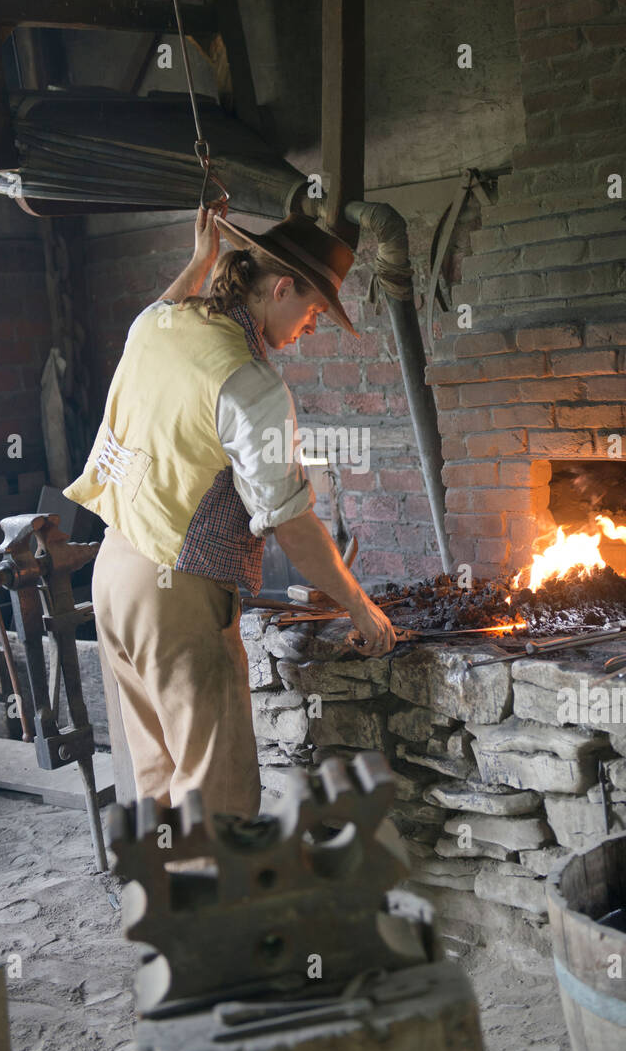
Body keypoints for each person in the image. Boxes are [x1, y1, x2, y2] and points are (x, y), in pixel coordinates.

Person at [63, 204, 396, 820]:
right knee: (215, 796)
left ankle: (161, 908)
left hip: (113, 577)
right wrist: (358, 605)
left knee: (159, 778)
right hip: (178, 599)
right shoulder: (251, 385)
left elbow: (164, 307)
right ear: (282, 288)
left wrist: (197, 264)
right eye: (314, 311)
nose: (312, 328)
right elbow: (293, 527)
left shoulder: (159, 324)